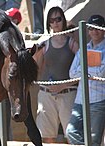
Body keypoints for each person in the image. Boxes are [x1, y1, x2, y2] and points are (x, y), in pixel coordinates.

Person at [34, 6, 79, 143]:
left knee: (71, 136)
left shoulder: (71, 43)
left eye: (58, 19)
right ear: (48, 23)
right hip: (46, 94)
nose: (55, 23)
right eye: (52, 20)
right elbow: (34, 68)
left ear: (63, 21)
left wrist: (64, 85)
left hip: (68, 93)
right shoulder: (44, 44)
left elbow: (84, 71)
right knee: (47, 136)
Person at [66, 14, 105, 146]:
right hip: (80, 100)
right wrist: (90, 68)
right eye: (91, 28)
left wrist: (83, 68)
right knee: (70, 132)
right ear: (87, 31)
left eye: (98, 28)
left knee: (94, 140)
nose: (94, 31)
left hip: (99, 100)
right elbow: (72, 73)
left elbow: (101, 72)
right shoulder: (84, 48)